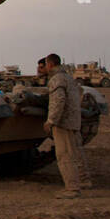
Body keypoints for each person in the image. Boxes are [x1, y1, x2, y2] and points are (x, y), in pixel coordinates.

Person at [41, 52, 91, 198]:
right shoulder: (69, 78)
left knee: (65, 155)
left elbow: (58, 101)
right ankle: (83, 179)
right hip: (74, 120)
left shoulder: (57, 79)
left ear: (50, 64)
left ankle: (72, 188)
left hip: (63, 123)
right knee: (76, 152)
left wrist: (51, 121)